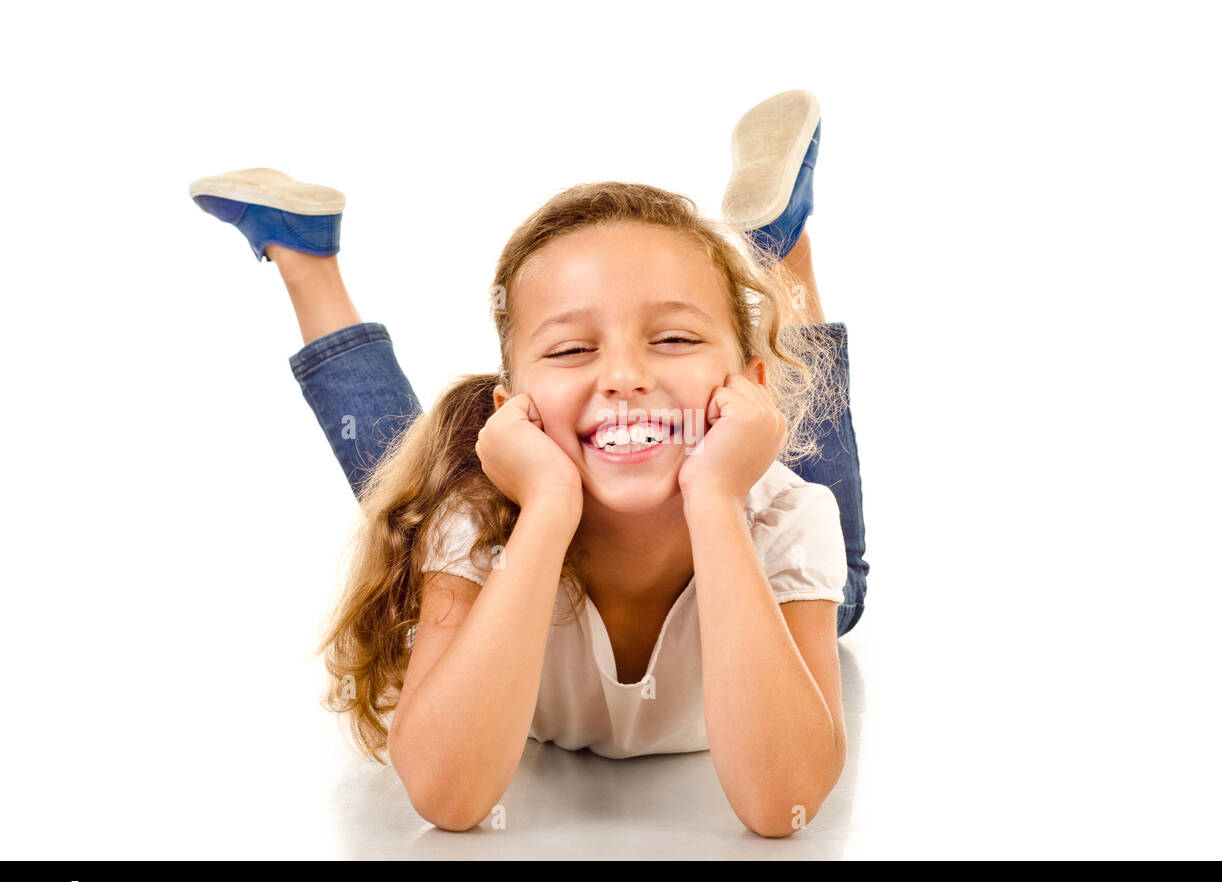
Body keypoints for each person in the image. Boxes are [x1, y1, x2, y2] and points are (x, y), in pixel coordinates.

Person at [189, 89, 869, 837]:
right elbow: (449, 801)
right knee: (407, 493)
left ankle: (782, 248)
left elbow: (783, 807)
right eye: (574, 350)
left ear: (740, 385)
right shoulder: (479, 524)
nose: (624, 377)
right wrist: (545, 509)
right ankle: (305, 258)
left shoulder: (788, 519)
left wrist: (715, 497)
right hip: (517, 510)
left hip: (757, 524)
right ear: (514, 411)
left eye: (673, 339)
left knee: (827, 514)